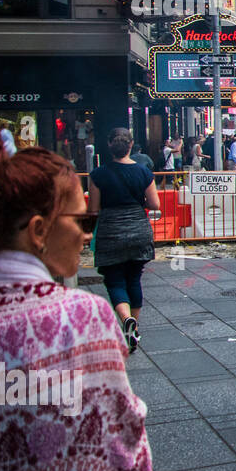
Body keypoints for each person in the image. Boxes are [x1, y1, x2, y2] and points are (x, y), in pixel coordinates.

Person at [0, 125, 160, 471]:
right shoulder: (86, 317)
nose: (84, 234)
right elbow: (124, 446)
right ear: (39, 229)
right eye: (80, 221)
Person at [88, 128, 160, 352]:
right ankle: (133, 326)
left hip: (111, 230)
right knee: (134, 278)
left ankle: (126, 319)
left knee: (115, 279)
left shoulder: (98, 175)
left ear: (110, 145)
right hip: (139, 228)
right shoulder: (143, 172)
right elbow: (154, 204)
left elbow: (93, 209)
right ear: (130, 145)